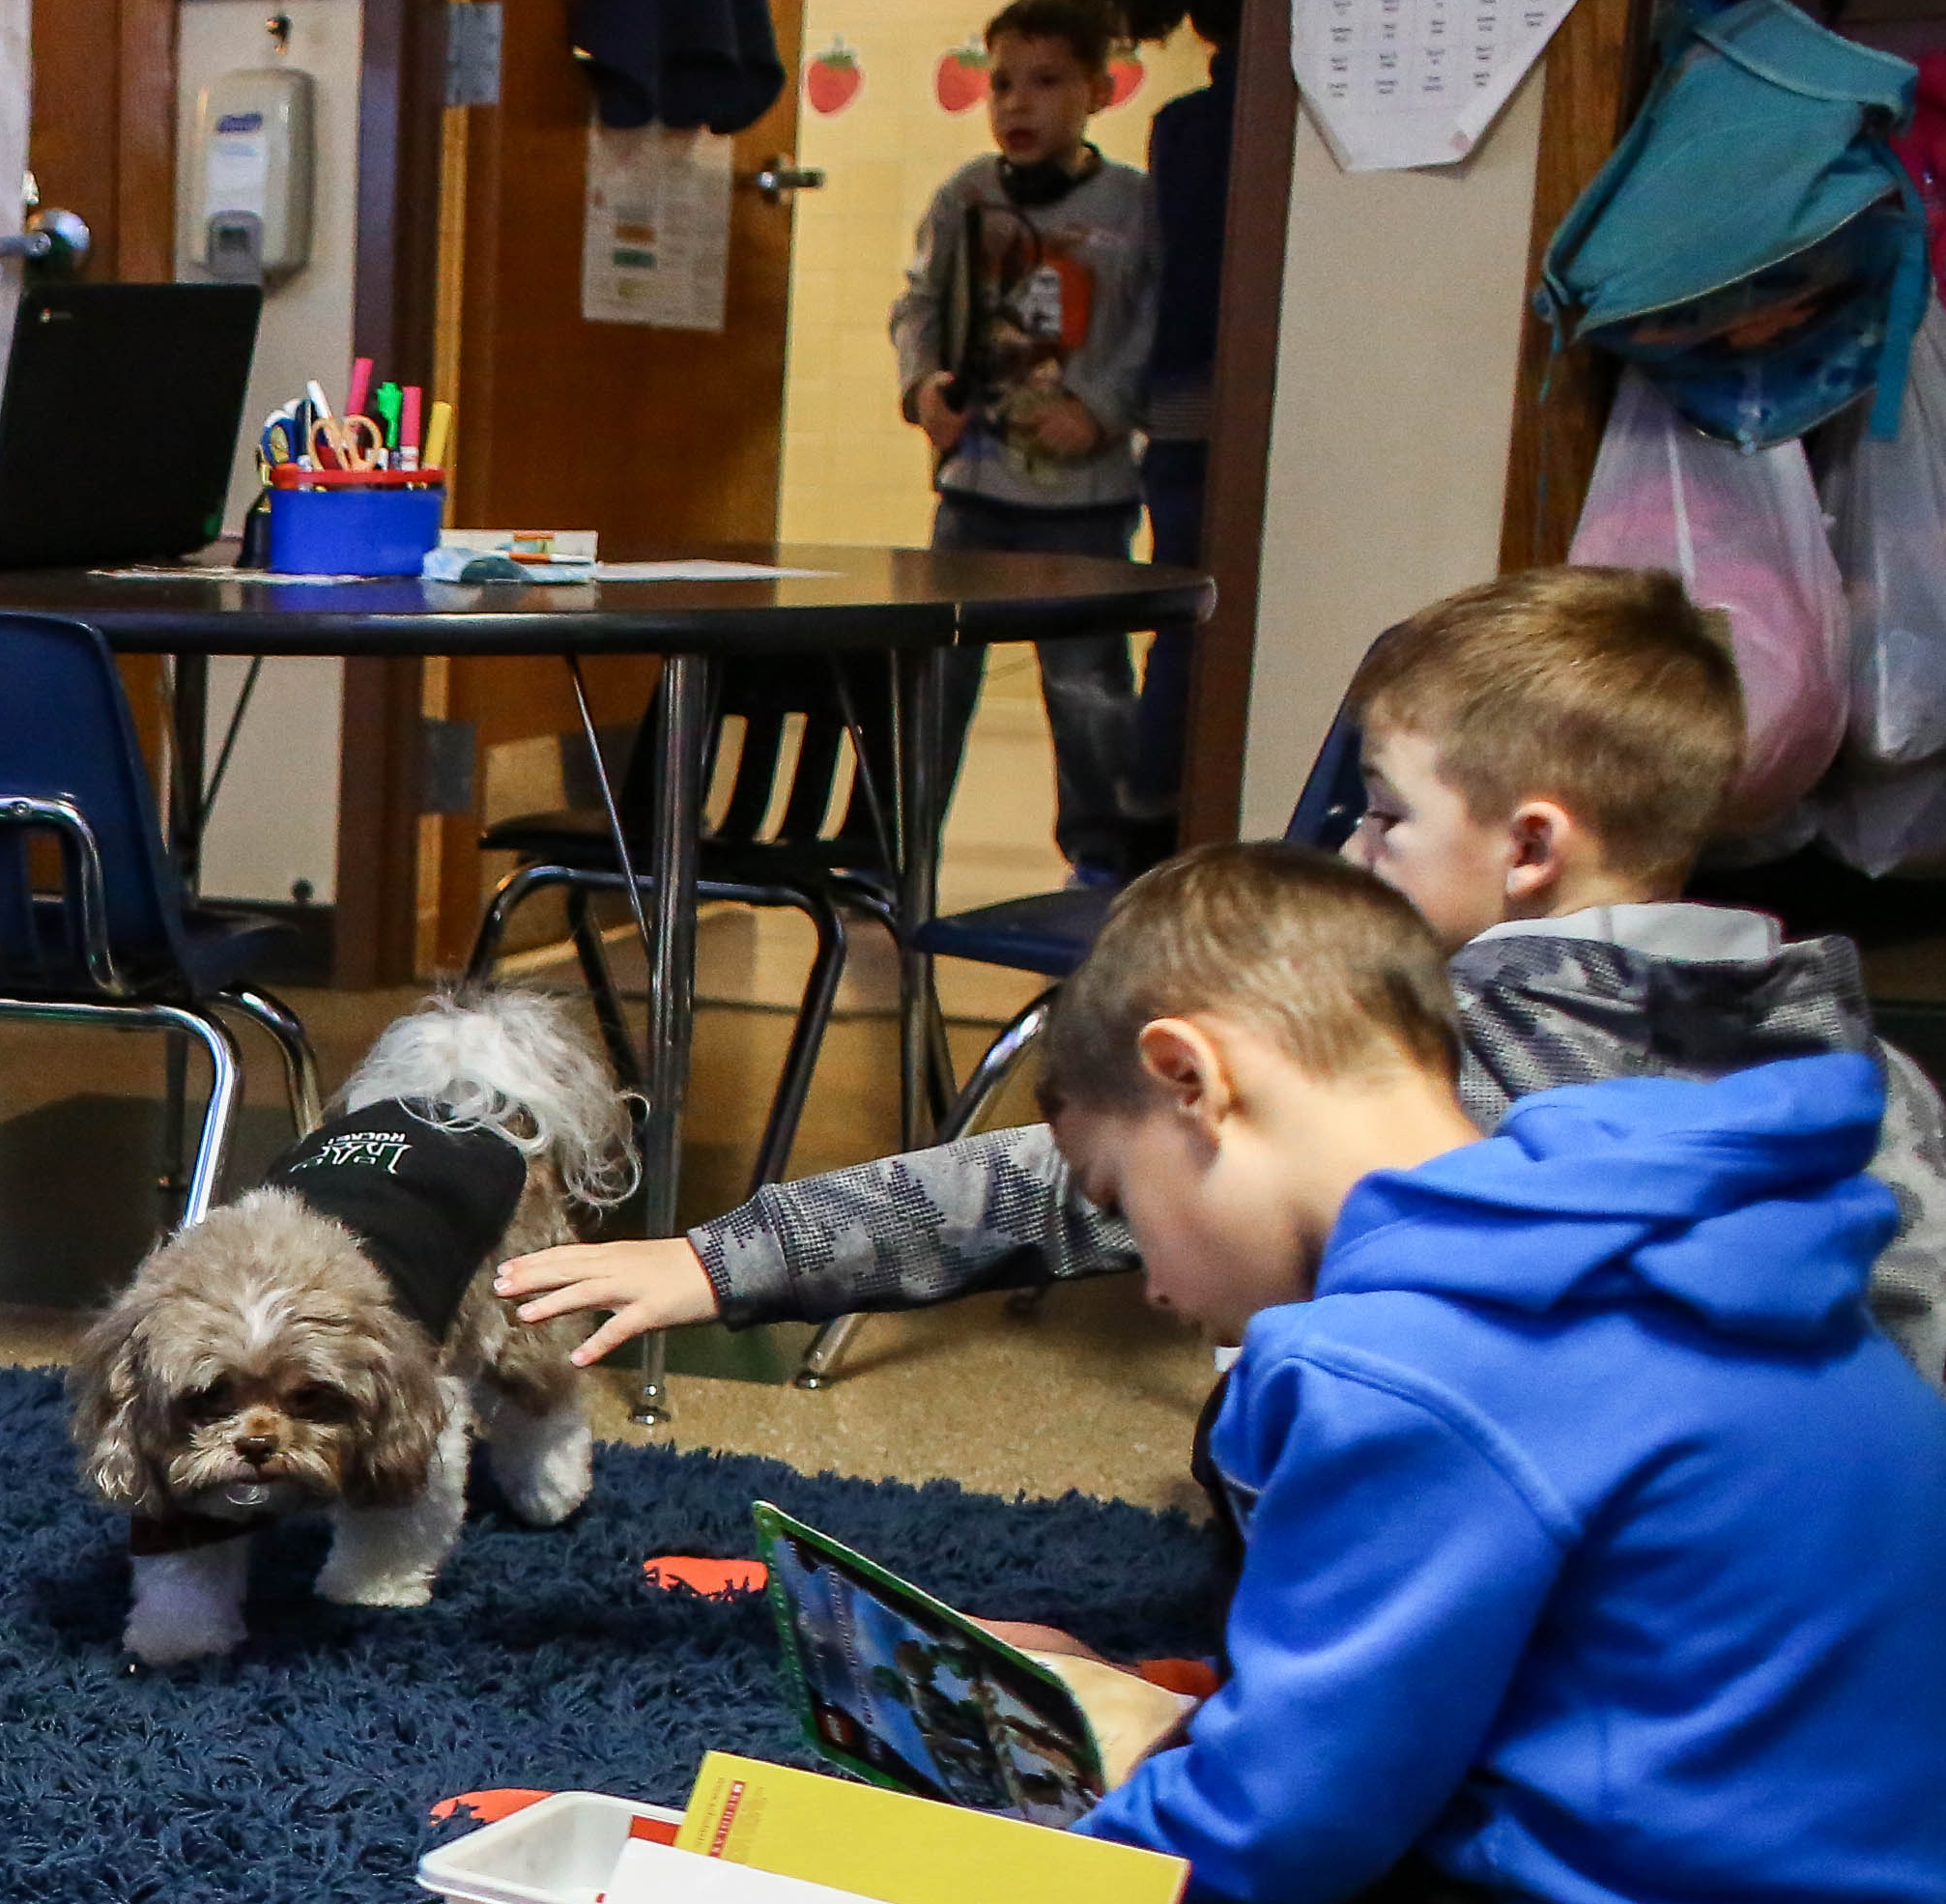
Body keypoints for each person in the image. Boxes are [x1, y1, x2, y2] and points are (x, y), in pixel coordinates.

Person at [1002, 848, 1946, 1904]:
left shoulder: (1408, 1365)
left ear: (1190, 1079)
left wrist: (1047, 1872)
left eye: (1119, 1199)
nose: (1144, 1277)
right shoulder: (1653, 1223)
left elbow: (1283, 1833)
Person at [498, 566, 1946, 1388]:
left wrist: (719, 1255)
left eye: (1385, 814)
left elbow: (1065, 1175)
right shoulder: (1861, 1067)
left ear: (1527, 846)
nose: (1357, 848)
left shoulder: (1452, 1065)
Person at [894, 0, 1162, 888]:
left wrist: (1100, 408)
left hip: (1082, 499)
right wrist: (922, 384)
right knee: (934, 680)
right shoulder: (963, 195)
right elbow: (919, 305)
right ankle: (897, 851)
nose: (1016, 102)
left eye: (1045, 82)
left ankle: (1098, 857)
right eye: (1001, 82)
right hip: (974, 488)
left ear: (1099, 91)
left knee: (1085, 684)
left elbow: (1148, 327)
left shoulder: (1131, 205)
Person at [1075, 0, 1245, 852]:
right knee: (1201, 624)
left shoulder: (1184, 126)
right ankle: (1150, 821)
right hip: (1214, 408)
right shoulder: (1238, 128)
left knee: (1184, 623)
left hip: (1178, 411)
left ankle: (1144, 817)